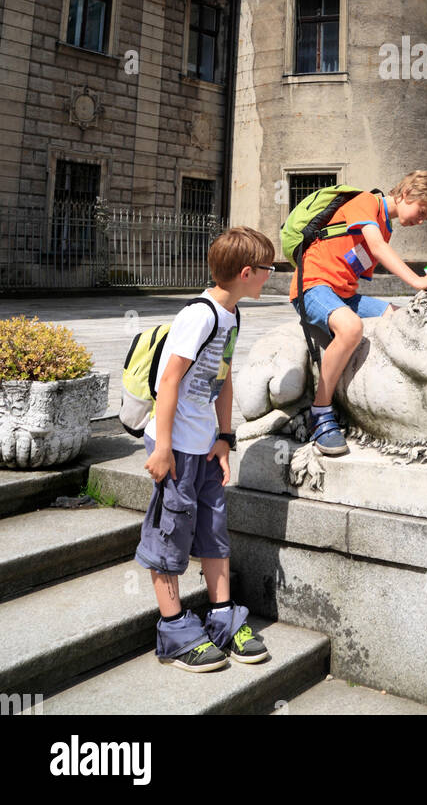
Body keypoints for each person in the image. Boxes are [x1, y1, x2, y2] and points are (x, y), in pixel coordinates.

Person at [134, 226, 275, 673]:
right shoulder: (200, 315)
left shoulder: (232, 315)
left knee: (214, 529)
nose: (271, 276)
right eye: (269, 269)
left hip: (204, 446)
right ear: (247, 272)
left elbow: (224, 378)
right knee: (169, 534)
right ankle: (174, 630)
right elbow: (169, 381)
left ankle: (220, 617)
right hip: (174, 447)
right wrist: (163, 448)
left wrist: (224, 437)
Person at [289, 171, 427, 456]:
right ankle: (321, 411)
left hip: (344, 295)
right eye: (422, 211)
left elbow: (359, 259)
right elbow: (377, 248)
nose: (420, 220)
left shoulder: (385, 226)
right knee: (351, 328)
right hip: (312, 288)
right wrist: (417, 281)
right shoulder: (365, 202)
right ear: (407, 194)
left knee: (403, 317)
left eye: (426, 217)